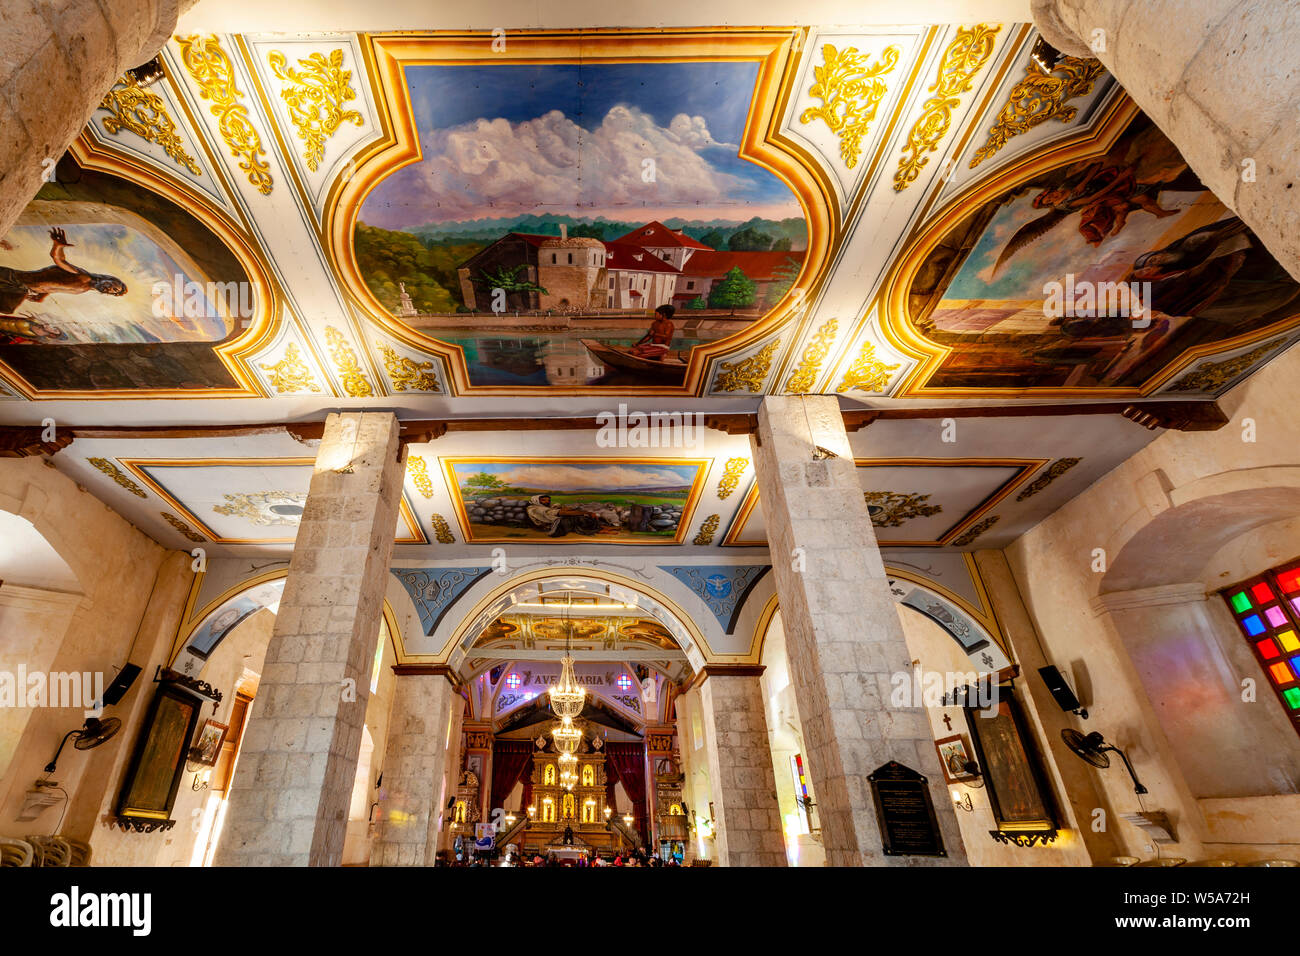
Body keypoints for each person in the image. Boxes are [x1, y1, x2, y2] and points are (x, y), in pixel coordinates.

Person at [525, 494, 598, 537]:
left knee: (576, 516)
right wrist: (586, 513)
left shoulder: (543, 507)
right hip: (552, 528)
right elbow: (561, 513)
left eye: (548, 500)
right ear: (536, 500)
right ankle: (596, 530)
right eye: (543, 500)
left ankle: (598, 528)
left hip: (556, 523)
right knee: (577, 518)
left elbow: (557, 510)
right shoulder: (534, 509)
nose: (547, 502)